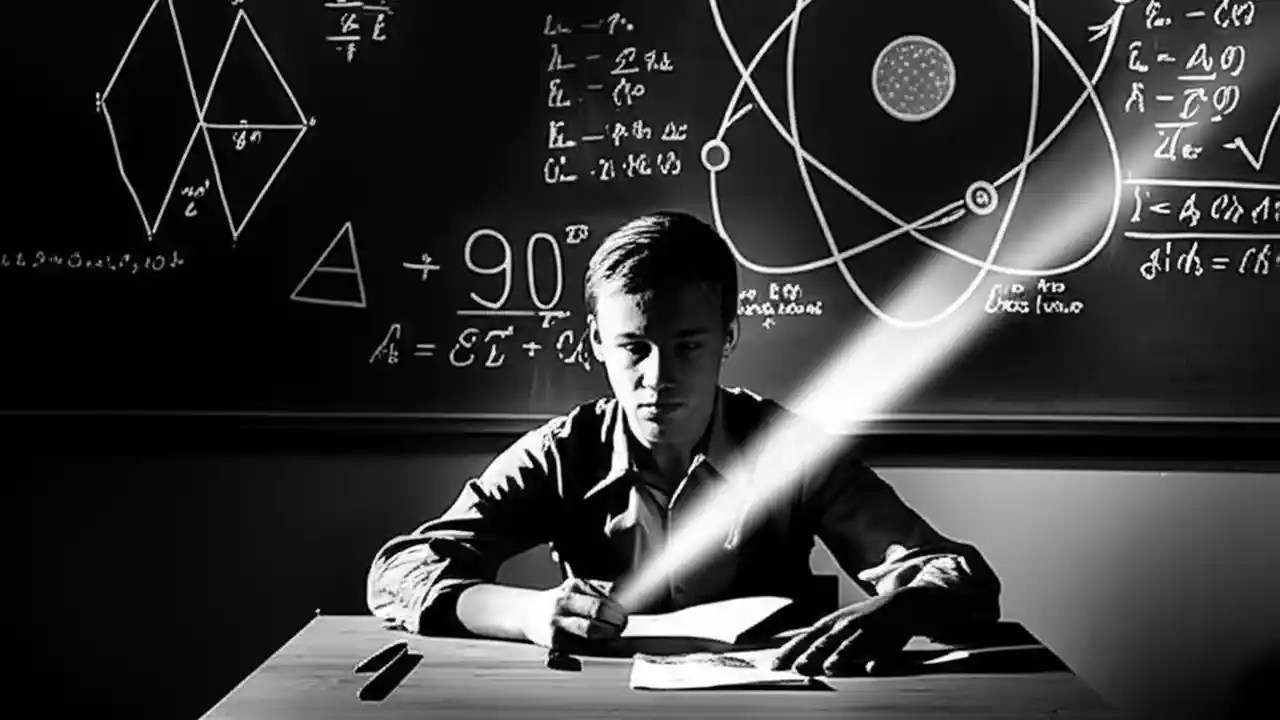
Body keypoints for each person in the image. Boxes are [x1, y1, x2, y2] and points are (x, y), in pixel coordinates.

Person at [367, 210, 1000, 676]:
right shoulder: (563, 453)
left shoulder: (790, 451)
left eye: (688, 348)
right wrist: (528, 614)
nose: (658, 378)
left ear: (728, 337)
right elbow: (398, 573)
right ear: (596, 342)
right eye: (633, 349)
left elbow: (963, 577)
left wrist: (905, 608)